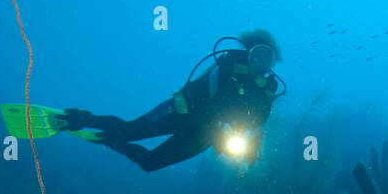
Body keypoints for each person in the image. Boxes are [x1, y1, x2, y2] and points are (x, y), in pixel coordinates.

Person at [61, 30, 284, 172]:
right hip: (183, 112)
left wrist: (250, 149)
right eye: (257, 54)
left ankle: (107, 139)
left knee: (149, 163)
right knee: (130, 131)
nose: (260, 62)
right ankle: (79, 118)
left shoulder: (269, 88)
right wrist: (185, 97)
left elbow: (257, 122)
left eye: (268, 58)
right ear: (248, 52)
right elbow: (201, 82)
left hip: (206, 134)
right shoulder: (229, 62)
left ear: (273, 63)